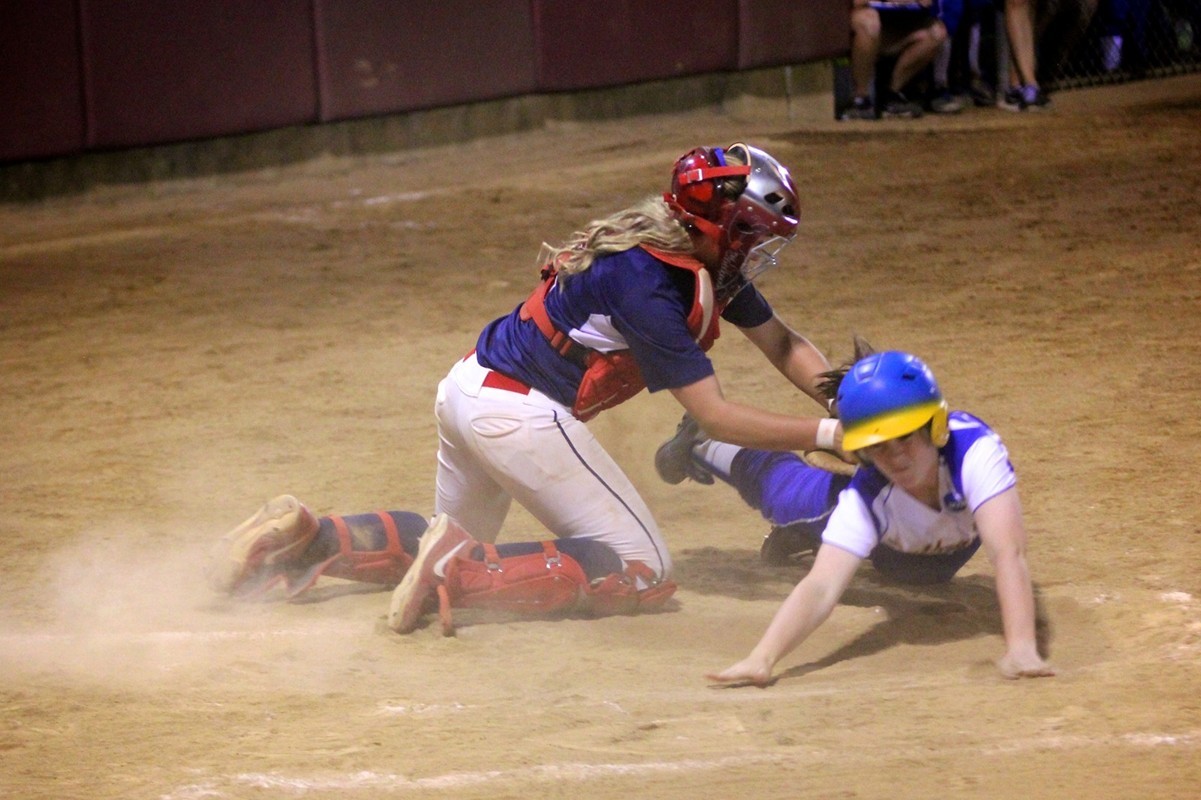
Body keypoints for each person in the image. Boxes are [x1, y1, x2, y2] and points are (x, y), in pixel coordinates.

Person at [205, 142, 844, 636]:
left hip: (471, 392)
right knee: (642, 568)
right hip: (518, 414)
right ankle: (451, 570)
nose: (756, 246)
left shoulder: (681, 251)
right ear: (715, 223)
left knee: (462, 534)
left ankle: (313, 538)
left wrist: (842, 398)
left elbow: (783, 344)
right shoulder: (651, 283)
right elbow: (716, 416)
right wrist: (833, 434)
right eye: (750, 231)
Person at [656, 349, 1055, 683]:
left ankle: (814, 537)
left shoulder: (973, 452)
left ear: (934, 427)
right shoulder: (868, 496)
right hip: (887, 524)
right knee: (784, 495)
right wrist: (762, 659)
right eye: (878, 446)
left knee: (922, 573)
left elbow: (1009, 553)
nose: (895, 456)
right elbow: (820, 589)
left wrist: (1021, 649)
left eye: (905, 437)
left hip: (927, 542)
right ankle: (708, 445)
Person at [841, 0, 950, 120]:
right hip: (851, 18)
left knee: (936, 32)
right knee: (869, 21)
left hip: (894, 21)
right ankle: (860, 99)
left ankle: (892, 95)